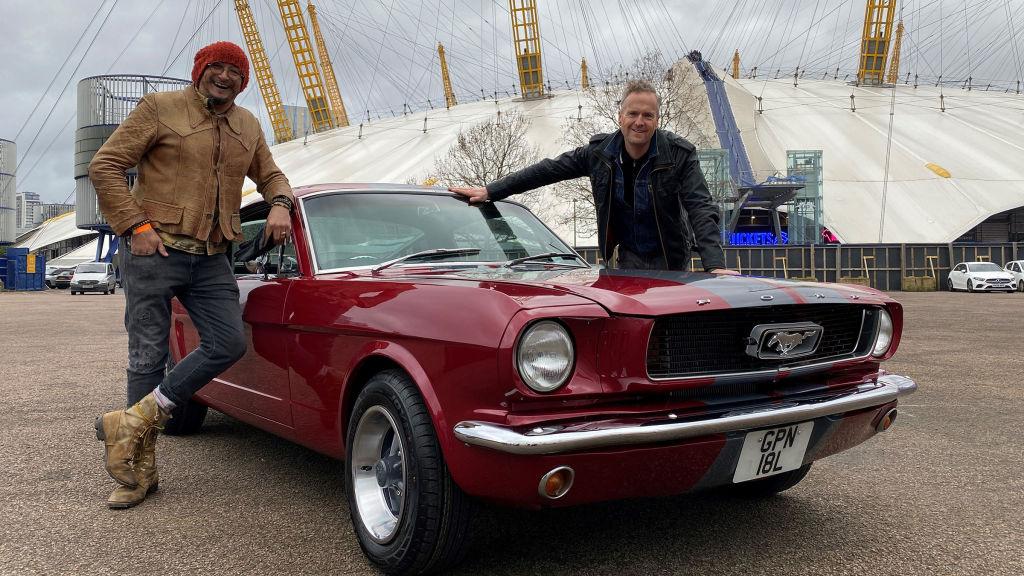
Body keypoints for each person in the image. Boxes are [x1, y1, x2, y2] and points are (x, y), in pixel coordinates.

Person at [89, 41, 295, 509]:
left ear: (244, 81)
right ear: (200, 70)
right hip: (152, 251)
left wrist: (280, 203)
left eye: (235, 72)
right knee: (147, 356)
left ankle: (132, 421)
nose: (225, 76)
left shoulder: (248, 124)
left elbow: (273, 176)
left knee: (228, 343)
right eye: (216, 67)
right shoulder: (159, 108)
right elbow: (105, 165)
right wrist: (134, 226)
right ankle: (140, 474)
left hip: (213, 256)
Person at [451, 80, 737, 274]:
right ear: (620, 117)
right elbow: (547, 170)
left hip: (671, 258)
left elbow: (701, 208)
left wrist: (714, 265)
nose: (640, 122)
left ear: (657, 120)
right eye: (633, 113)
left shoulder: (679, 155)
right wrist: (492, 191)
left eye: (648, 115)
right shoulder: (599, 154)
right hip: (627, 258)